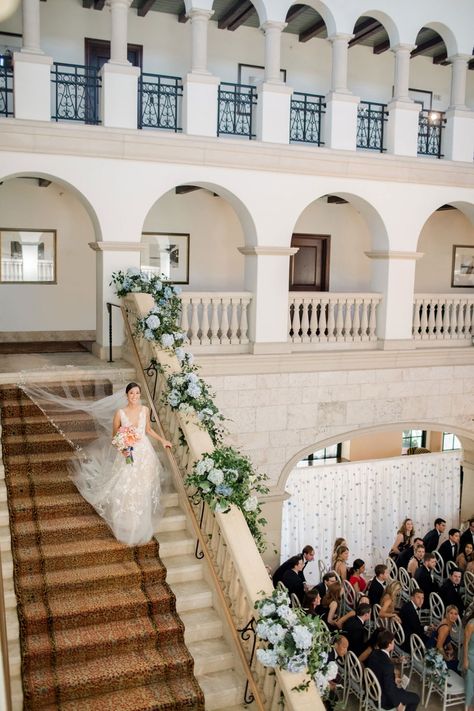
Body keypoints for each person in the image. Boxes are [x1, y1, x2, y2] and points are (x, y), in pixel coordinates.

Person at [74, 381, 171, 546]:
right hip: (128, 453)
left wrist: (163, 440)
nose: (135, 396)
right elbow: (114, 436)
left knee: (142, 488)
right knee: (126, 487)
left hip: (145, 454)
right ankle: (126, 524)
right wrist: (123, 449)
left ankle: (140, 524)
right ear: (126, 395)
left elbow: (147, 429)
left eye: (137, 393)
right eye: (132, 393)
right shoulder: (120, 413)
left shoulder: (145, 410)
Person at [366, 629, 420, 711]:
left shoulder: (374, 653)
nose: (394, 643)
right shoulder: (388, 665)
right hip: (383, 699)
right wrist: (398, 704)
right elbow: (389, 689)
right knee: (415, 698)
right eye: (393, 641)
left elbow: (378, 672)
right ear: (389, 644)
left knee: (401, 689)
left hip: (372, 691)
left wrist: (393, 679)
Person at [434, 605, 460, 672]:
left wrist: (451, 649)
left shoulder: (448, 622)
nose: (453, 616)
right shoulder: (445, 627)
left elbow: (447, 639)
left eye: (455, 614)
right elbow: (439, 647)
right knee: (459, 666)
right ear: (447, 614)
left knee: (458, 662)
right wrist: (446, 658)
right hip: (434, 654)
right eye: (451, 613)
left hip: (437, 649)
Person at [463, 605, 474, 711]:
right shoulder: (471, 624)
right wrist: (465, 660)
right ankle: (470, 706)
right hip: (470, 655)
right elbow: (465, 643)